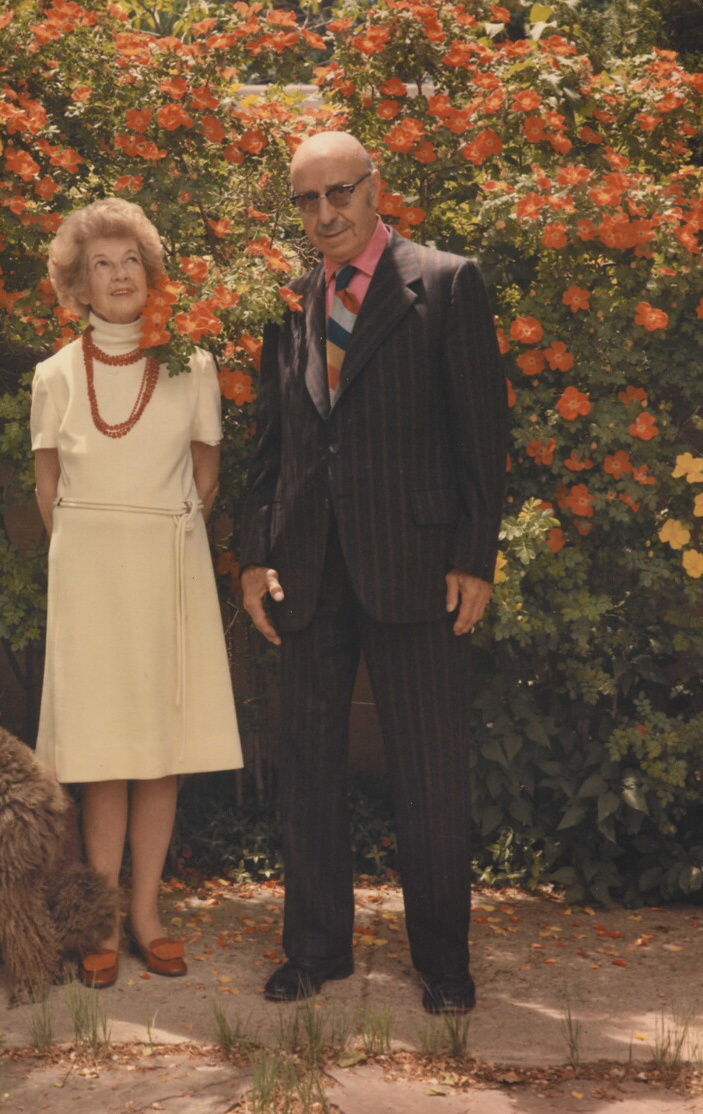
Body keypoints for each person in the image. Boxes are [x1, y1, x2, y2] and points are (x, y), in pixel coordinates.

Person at [238, 132, 508, 1013]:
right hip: (307, 569)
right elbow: (271, 446)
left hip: (418, 567)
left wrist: (474, 557)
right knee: (308, 767)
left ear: (375, 187)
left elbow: (482, 435)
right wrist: (254, 555)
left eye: (340, 193)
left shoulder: (446, 283)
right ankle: (315, 950)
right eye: (307, 200)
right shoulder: (291, 302)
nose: (326, 214)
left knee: (430, 770)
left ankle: (445, 962)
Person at [31, 197, 243, 988]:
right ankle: (101, 918)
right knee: (102, 753)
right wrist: (92, 551)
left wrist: (159, 540)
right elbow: (48, 487)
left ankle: (147, 913)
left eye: (130, 262)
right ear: (78, 285)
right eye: (101, 265)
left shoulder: (192, 365)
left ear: (150, 275)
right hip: (89, 578)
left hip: (165, 571)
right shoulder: (54, 374)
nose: (119, 276)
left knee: (158, 751)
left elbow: (205, 475)